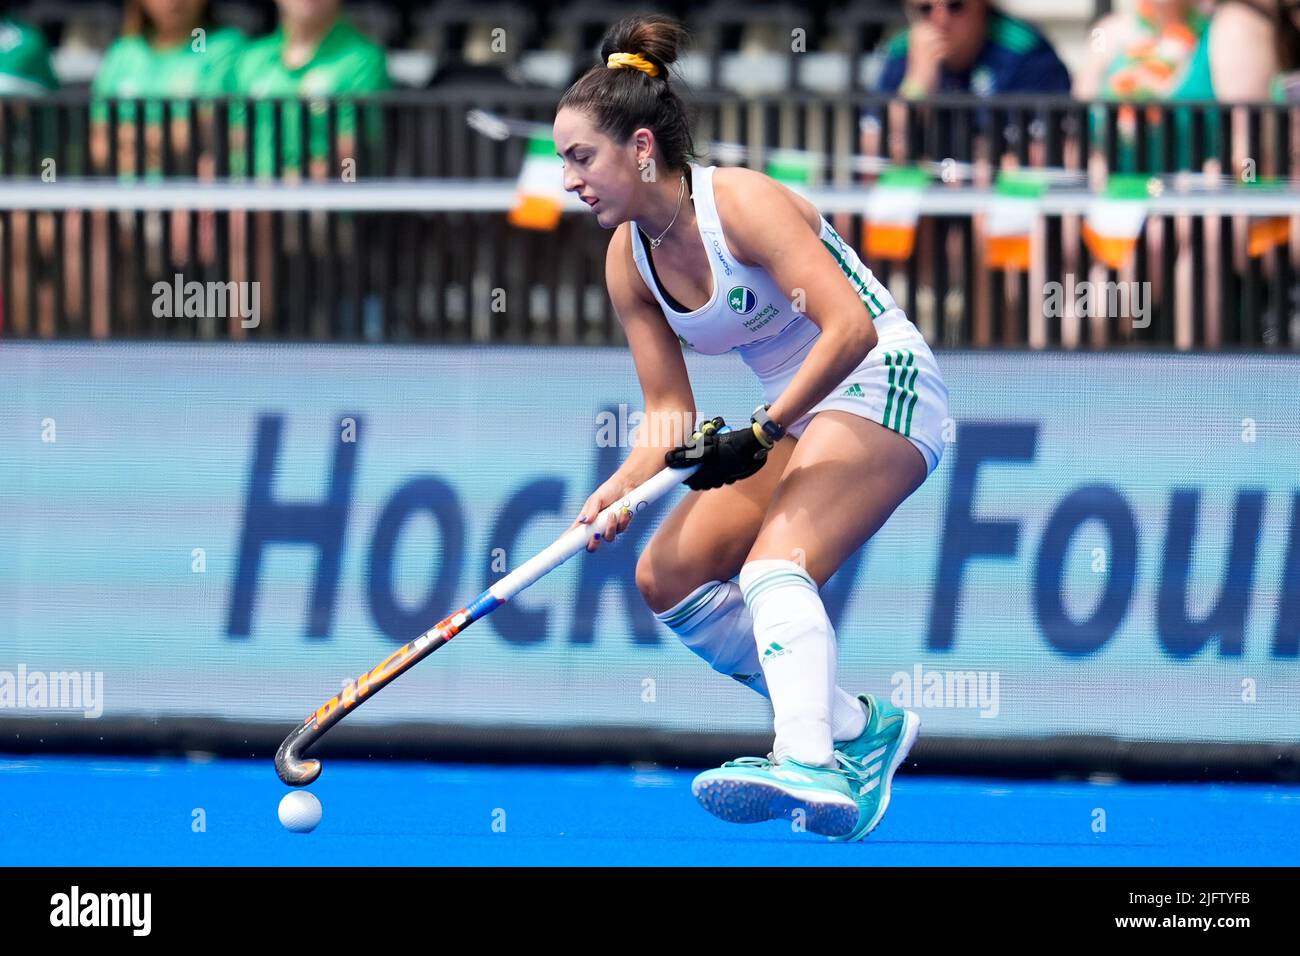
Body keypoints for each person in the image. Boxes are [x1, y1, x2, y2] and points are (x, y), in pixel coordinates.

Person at [554, 14, 950, 841]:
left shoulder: (738, 203)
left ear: (639, 148)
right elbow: (670, 415)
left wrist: (763, 432)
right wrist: (619, 492)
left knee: (777, 567)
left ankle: (805, 758)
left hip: (885, 383)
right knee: (668, 574)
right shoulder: (628, 259)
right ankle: (852, 727)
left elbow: (850, 329)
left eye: (580, 157)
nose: (569, 179)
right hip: (799, 413)